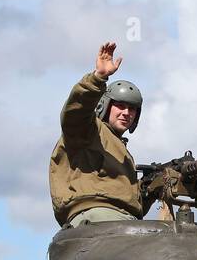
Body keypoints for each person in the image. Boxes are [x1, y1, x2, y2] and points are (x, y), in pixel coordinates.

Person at [49, 42, 149, 228]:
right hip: (98, 217)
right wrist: (97, 79)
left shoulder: (120, 149)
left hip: (120, 220)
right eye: (120, 105)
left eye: (132, 109)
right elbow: (74, 112)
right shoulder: (88, 129)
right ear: (105, 105)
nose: (127, 113)